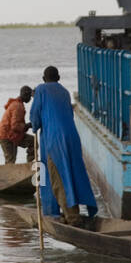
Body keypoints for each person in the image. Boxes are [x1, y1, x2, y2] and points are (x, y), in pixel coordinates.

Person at [30, 66, 98, 226]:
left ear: (43, 78)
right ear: (59, 77)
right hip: (72, 137)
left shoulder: (41, 90)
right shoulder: (64, 91)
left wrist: (33, 126)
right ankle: (74, 210)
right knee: (72, 173)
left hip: (55, 139)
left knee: (57, 177)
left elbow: (35, 116)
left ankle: (72, 217)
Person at [0, 86, 36, 164]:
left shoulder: (17, 104)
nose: (30, 99)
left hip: (11, 134)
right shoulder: (18, 106)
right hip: (6, 136)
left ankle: (30, 164)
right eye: (30, 97)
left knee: (32, 141)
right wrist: (27, 126)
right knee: (10, 160)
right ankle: (9, 174)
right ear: (25, 95)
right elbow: (15, 126)